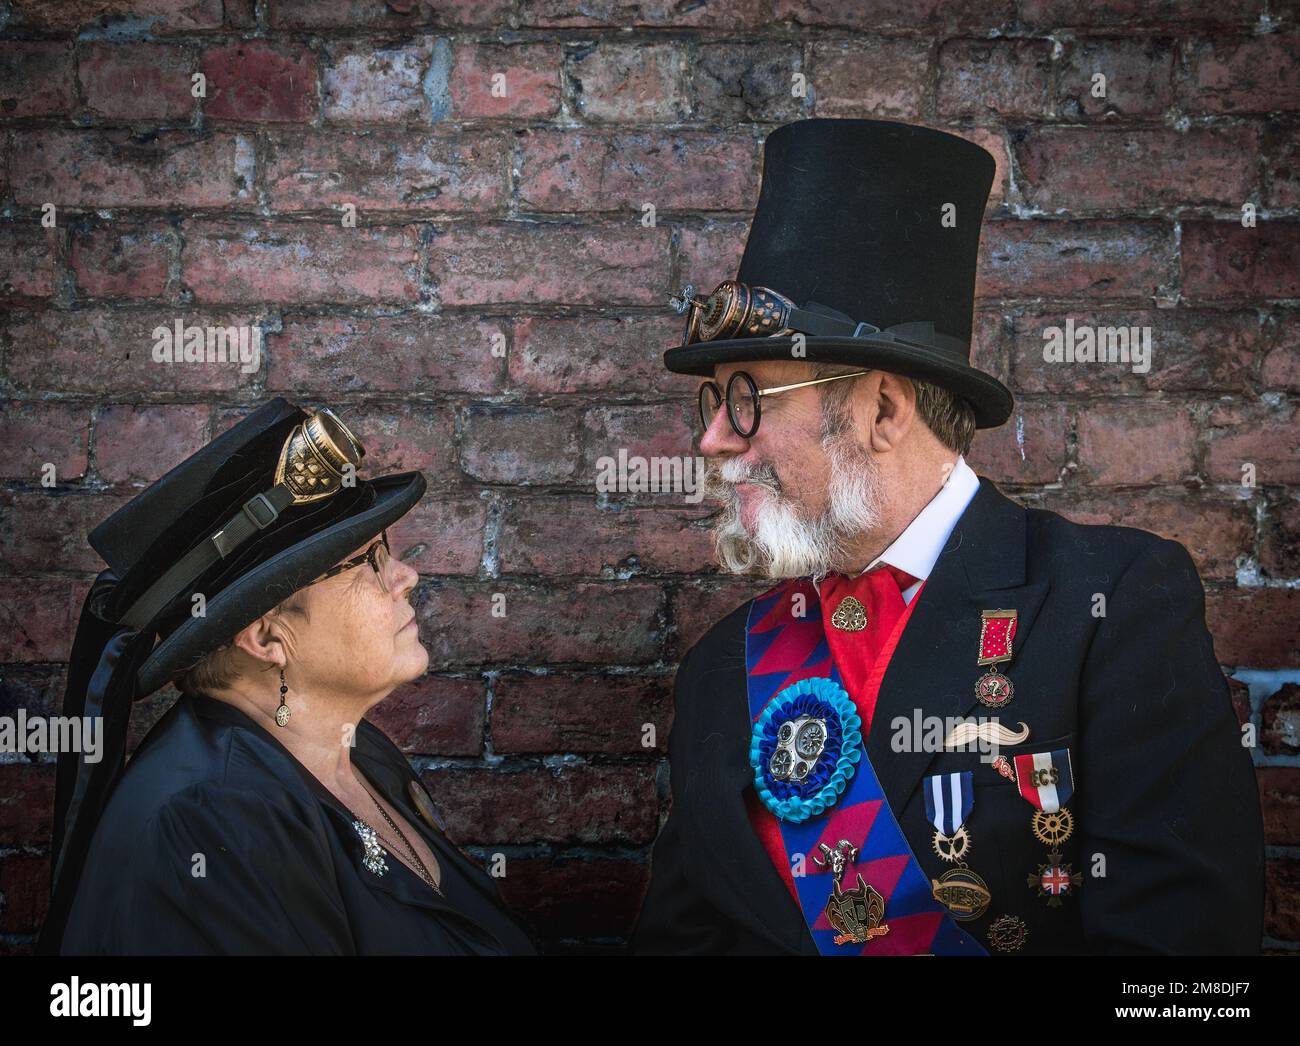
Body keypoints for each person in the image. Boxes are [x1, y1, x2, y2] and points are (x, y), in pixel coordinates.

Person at [633, 118, 1263, 955]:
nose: (713, 439)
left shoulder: (1112, 607)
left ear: (884, 410)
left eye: (748, 397)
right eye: (711, 403)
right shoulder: (722, 669)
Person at [40, 398, 537, 955]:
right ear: (268, 638)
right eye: (368, 562)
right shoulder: (210, 819)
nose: (406, 576)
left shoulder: (358, 752)